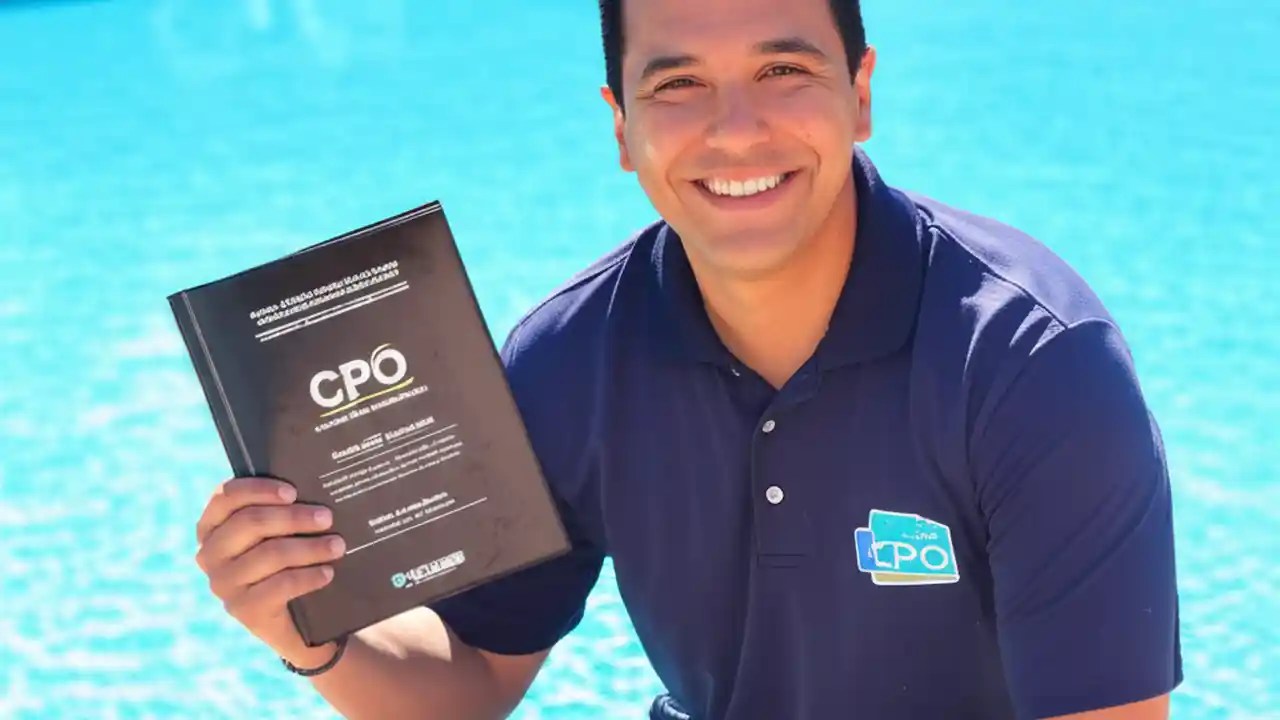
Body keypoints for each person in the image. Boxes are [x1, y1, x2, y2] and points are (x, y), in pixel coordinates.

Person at [192, 0, 1183, 717]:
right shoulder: (566, 362)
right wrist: (310, 631)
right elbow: (474, 674)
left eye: (782, 71)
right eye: (676, 86)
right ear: (620, 126)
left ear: (861, 93)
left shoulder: (1032, 367)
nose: (734, 129)